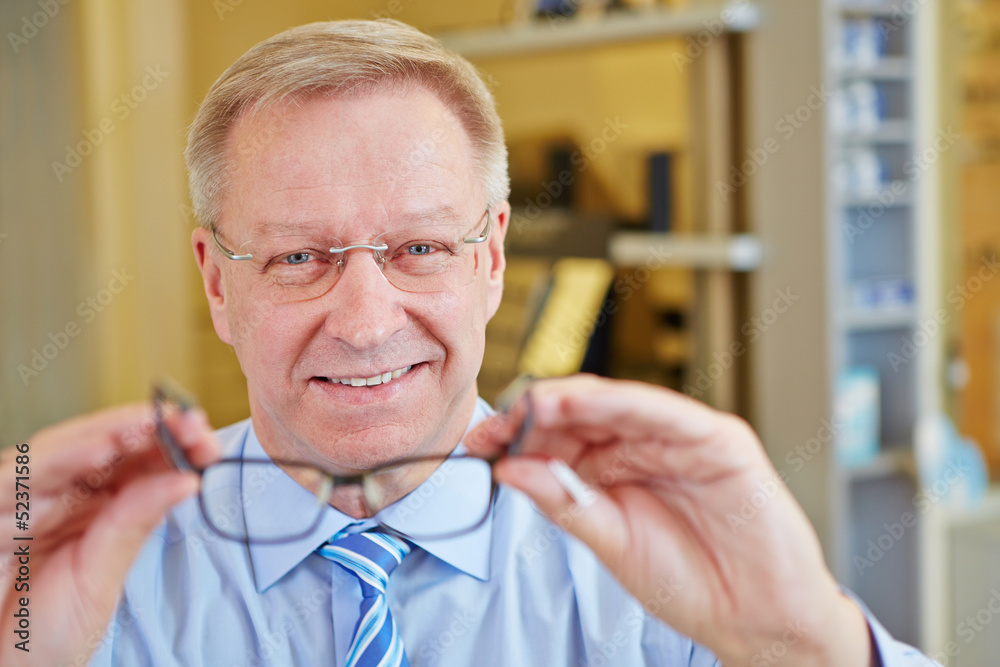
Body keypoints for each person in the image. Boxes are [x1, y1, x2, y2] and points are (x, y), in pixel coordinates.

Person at [0, 19, 937, 667]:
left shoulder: (651, 561)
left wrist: (810, 644)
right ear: (216, 278)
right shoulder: (86, 582)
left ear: (490, 259)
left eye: (420, 248)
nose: (365, 323)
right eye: (297, 257)